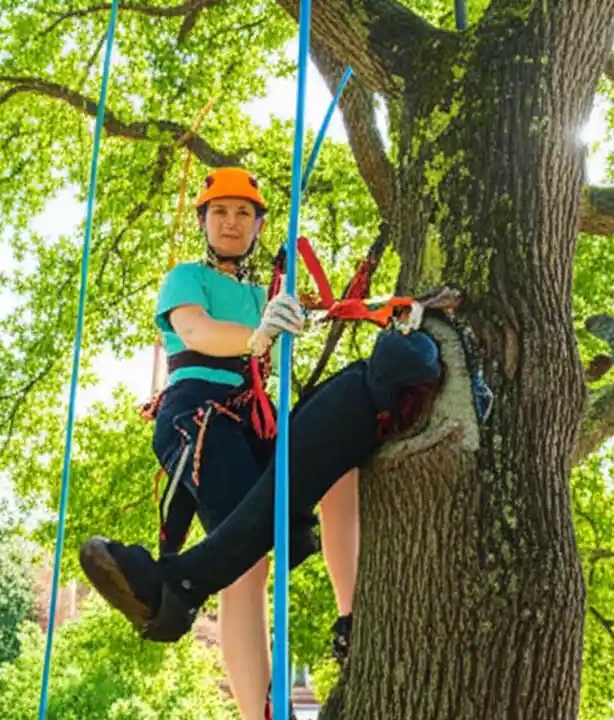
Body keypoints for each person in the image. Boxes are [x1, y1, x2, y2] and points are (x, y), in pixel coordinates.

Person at [80, 167, 444, 718]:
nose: (232, 221)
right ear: (204, 220)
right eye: (221, 211)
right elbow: (198, 333)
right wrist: (256, 335)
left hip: (257, 421)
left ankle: (352, 617)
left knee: (339, 462)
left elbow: (311, 324)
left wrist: (374, 309)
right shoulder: (187, 279)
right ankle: (259, 713)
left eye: (243, 212)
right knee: (245, 569)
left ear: (257, 225)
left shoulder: (267, 293)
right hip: (201, 413)